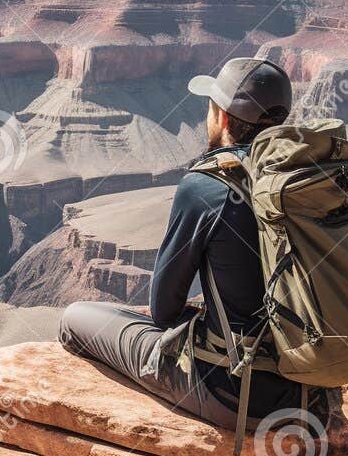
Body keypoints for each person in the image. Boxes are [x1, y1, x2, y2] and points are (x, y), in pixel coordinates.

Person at [58, 57, 309, 428]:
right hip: (309, 392)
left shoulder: (208, 186)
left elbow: (163, 310)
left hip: (234, 395)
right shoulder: (310, 179)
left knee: (74, 318)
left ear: (222, 118)